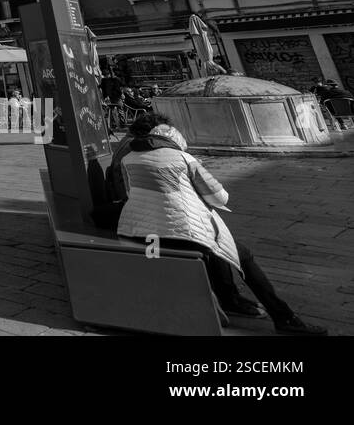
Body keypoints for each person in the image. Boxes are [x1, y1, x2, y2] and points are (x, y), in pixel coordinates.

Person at [115, 115, 326, 336]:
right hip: (182, 234)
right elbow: (220, 197)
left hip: (143, 235)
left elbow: (130, 193)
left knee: (215, 246)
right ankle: (284, 317)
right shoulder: (184, 159)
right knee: (239, 253)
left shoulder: (128, 159)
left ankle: (228, 299)